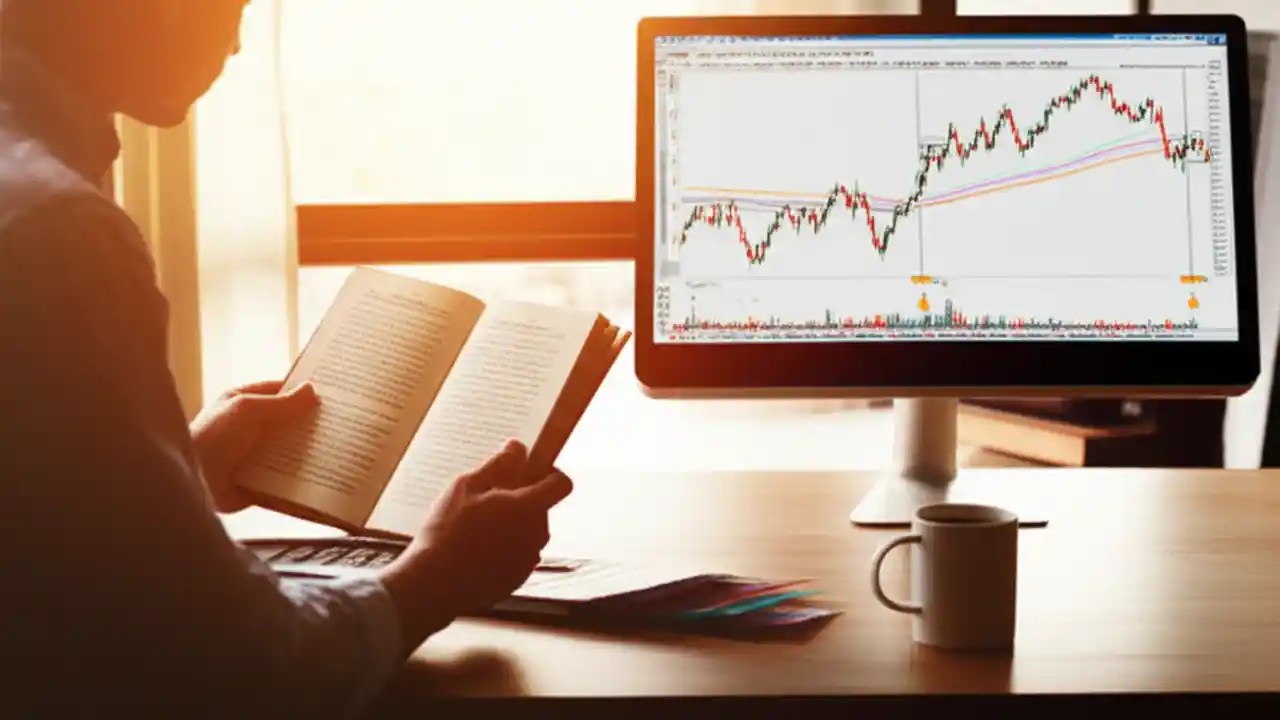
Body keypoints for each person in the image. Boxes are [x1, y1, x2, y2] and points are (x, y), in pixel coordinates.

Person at [0, 0, 573, 716]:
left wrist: (180, 472)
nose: (238, 43)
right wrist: (436, 576)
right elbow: (234, 664)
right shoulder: (59, 233)